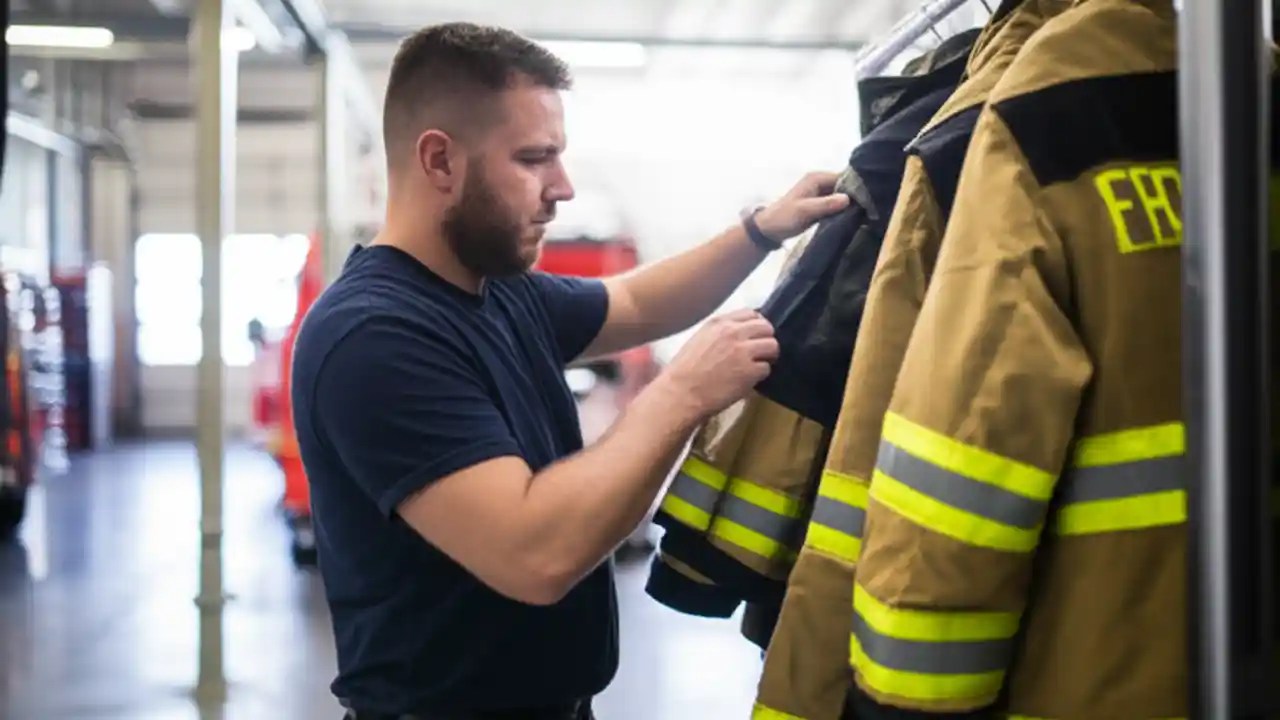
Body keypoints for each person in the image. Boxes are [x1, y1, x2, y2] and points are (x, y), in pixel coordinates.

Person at [290, 22, 851, 720]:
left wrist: (761, 230)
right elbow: (535, 553)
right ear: (439, 161)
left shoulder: (495, 290)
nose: (564, 187)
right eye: (535, 159)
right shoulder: (375, 336)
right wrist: (682, 393)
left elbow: (638, 300)